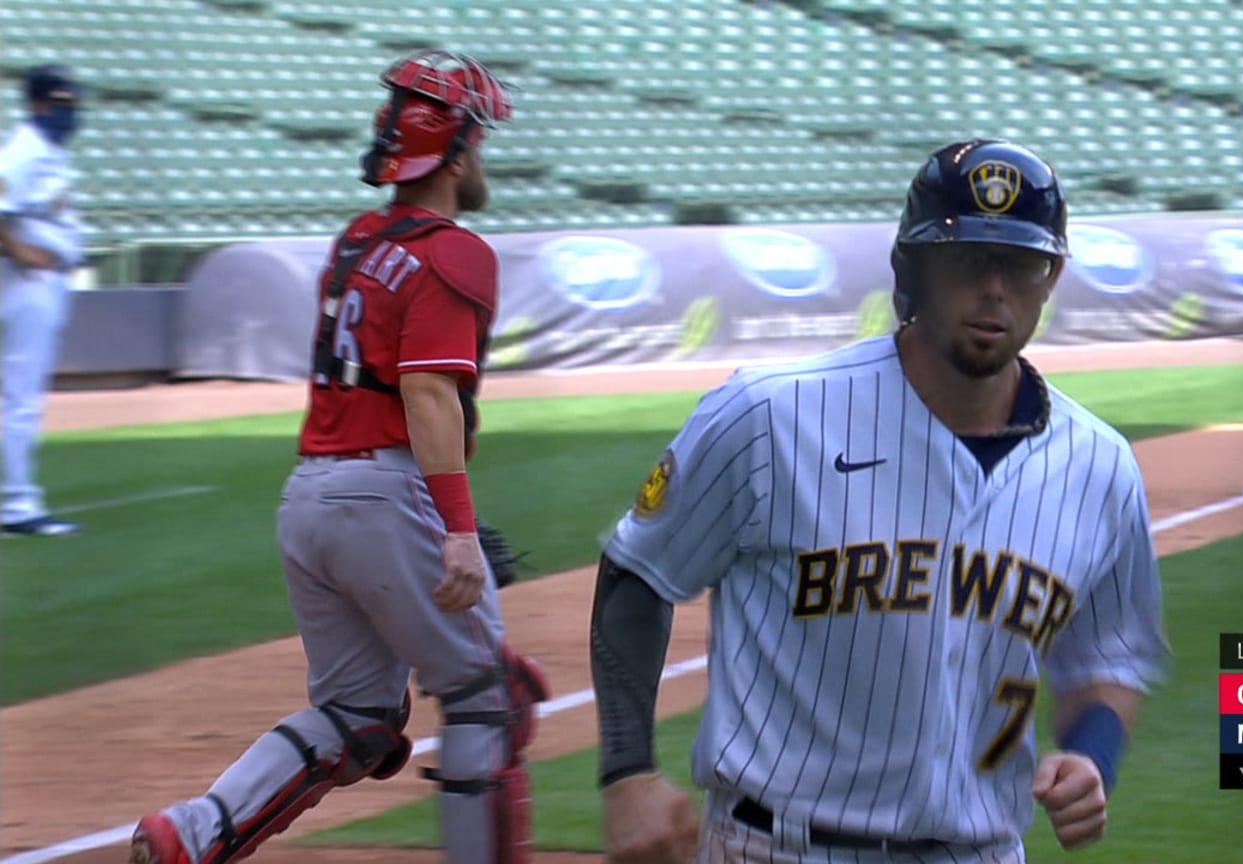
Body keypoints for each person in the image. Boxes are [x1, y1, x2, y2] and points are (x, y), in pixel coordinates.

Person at [590, 139, 1171, 863]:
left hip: (980, 850)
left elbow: (1111, 658)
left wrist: (1093, 756)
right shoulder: (770, 414)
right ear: (914, 269)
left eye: (1020, 264)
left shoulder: (1101, 465)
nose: (994, 288)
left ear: (1050, 277)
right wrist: (627, 771)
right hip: (779, 847)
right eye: (967, 260)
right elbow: (638, 572)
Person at [129, 49, 548, 864]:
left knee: (359, 715)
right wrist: (456, 529)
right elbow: (428, 395)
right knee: (489, 699)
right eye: (480, 143)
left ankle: (194, 833)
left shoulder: (357, 240)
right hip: (384, 495)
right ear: (456, 152)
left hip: (311, 498)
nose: (484, 159)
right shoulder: (455, 251)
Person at [1, 64, 87, 537]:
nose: (71, 112)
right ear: (37, 103)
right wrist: (21, 251)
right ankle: (18, 506)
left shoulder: (47, 152)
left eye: (74, 103)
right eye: (62, 102)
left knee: (16, 394)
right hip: (25, 283)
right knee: (19, 397)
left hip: (38, 282)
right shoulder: (25, 151)